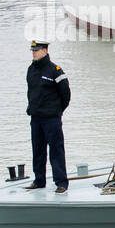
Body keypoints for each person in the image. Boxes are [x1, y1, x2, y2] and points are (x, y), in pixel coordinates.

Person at [26, 40, 71, 193]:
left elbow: (66, 95)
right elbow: (31, 92)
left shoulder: (55, 70)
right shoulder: (31, 70)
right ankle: (39, 180)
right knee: (37, 150)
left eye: (36, 50)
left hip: (51, 118)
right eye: (32, 50)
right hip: (36, 118)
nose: (33, 53)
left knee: (56, 151)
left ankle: (61, 182)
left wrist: (57, 111)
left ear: (45, 51)